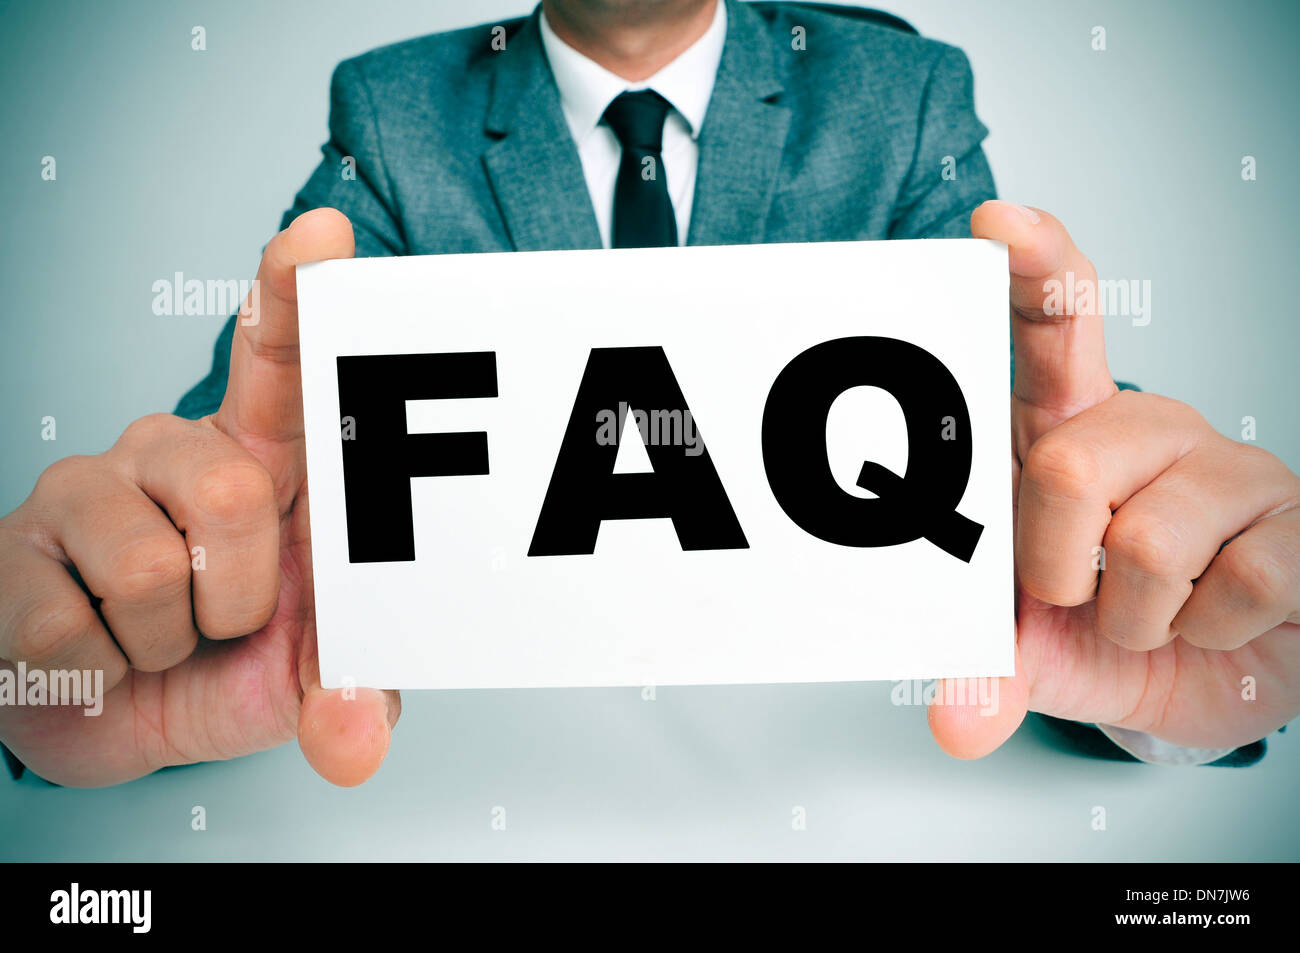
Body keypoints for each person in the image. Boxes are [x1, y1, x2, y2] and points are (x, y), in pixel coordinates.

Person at [1, 0, 1296, 787]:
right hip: (500, 784)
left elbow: (1032, 419)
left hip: (840, 773)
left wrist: (1157, 613)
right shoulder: (396, 111)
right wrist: (98, 639)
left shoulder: (896, 95)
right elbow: (245, 450)